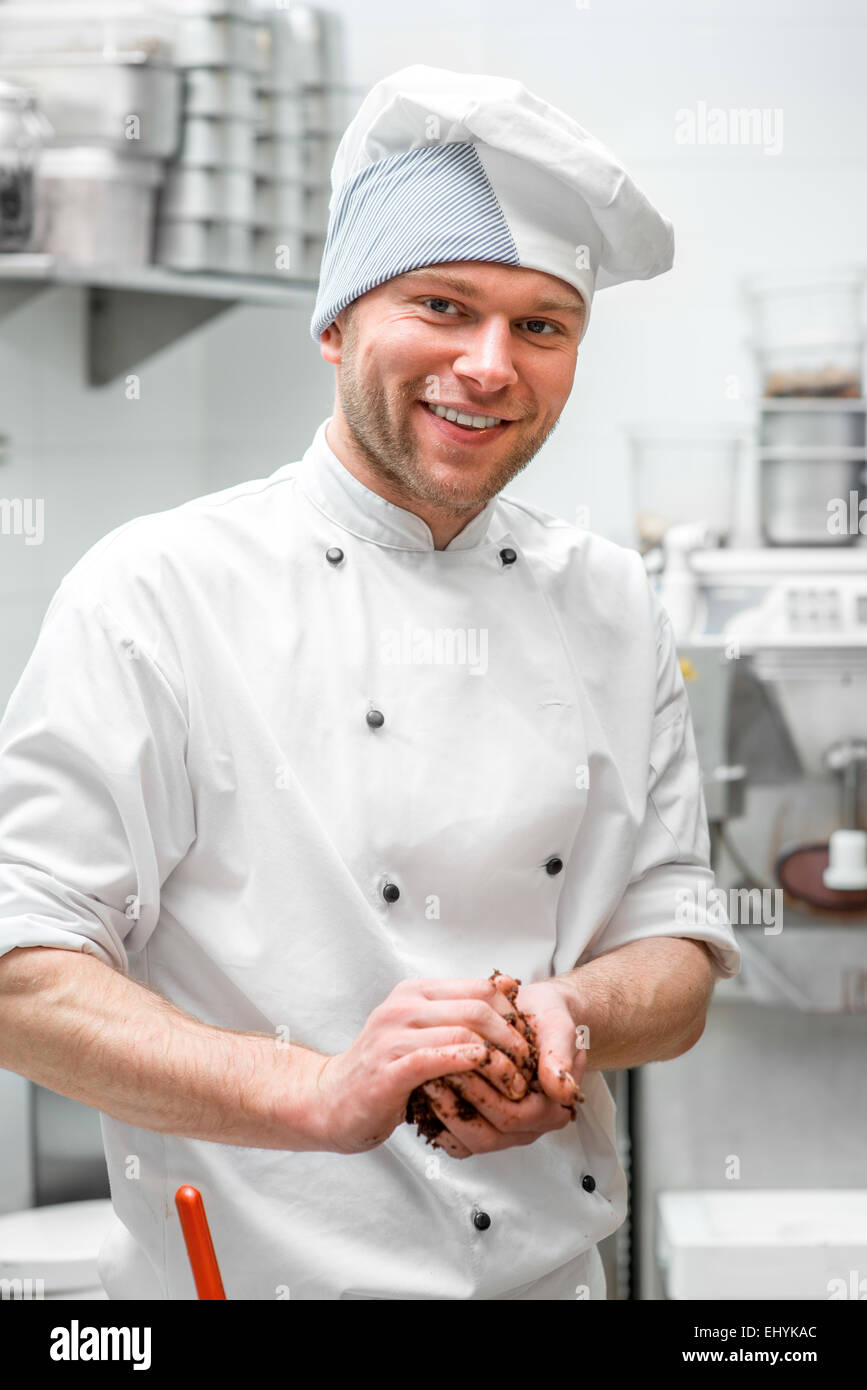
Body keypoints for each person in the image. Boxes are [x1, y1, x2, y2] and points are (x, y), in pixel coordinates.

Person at [0, 65, 740, 1300]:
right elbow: (23, 968)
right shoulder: (159, 590)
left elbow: (676, 939)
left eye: (541, 325)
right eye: (443, 304)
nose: (490, 364)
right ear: (337, 323)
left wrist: (570, 1013)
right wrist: (321, 1091)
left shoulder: (611, 601)